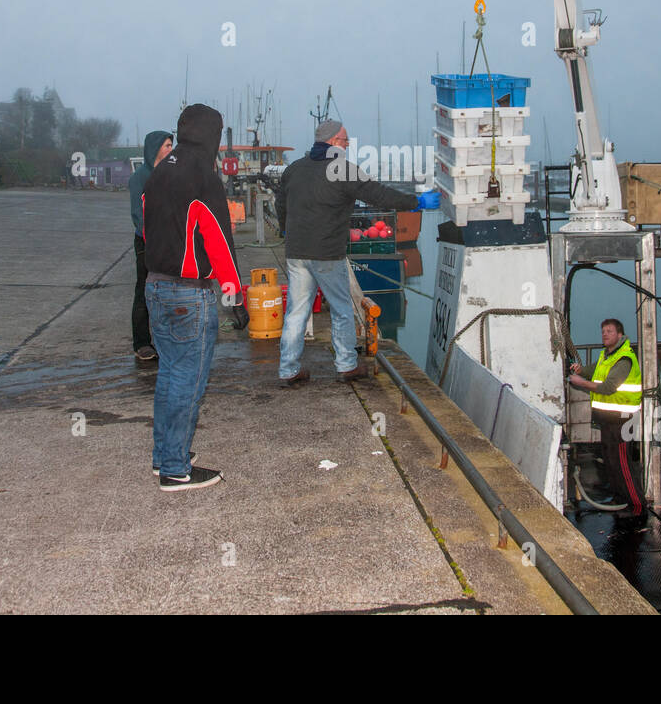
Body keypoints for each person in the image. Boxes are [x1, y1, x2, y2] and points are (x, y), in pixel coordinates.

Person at [274, 120, 437, 387]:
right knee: (341, 310)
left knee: (296, 312)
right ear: (332, 142)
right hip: (327, 253)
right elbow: (379, 195)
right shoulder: (343, 170)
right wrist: (416, 202)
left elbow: (281, 203)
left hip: (296, 253)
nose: (348, 145)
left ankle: (288, 369)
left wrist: (284, 229)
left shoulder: (295, 169)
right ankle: (346, 365)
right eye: (345, 140)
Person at [143, 104, 249, 491]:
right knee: (188, 381)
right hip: (188, 293)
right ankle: (175, 469)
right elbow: (219, 241)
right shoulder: (203, 176)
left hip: (155, 286)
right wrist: (234, 294)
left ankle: (164, 455)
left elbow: (146, 230)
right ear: (212, 135)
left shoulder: (158, 173)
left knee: (170, 374)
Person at [568, 318, 647, 526]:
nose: (604, 334)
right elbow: (593, 370)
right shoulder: (607, 355)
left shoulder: (624, 359)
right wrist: (580, 370)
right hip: (608, 419)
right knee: (612, 463)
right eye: (603, 331)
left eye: (609, 331)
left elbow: (608, 387)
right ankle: (620, 499)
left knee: (623, 464)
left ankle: (637, 507)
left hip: (621, 420)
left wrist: (581, 382)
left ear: (620, 335)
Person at [129, 130, 173, 363]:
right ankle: (142, 343)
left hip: (170, 240)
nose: (170, 150)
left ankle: (169, 339)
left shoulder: (172, 174)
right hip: (147, 242)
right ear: (155, 148)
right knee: (144, 289)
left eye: (171, 145)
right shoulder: (139, 178)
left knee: (171, 289)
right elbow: (138, 215)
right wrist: (154, 238)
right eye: (167, 145)